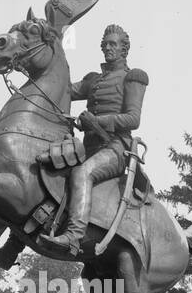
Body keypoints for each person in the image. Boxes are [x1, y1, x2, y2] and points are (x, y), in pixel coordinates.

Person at [37, 24, 148, 256]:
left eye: (113, 44)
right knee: (45, 172)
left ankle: (73, 237)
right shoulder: (94, 80)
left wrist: (96, 121)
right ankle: (12, 245)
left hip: (116, 148)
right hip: (89, 148)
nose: (108, 48)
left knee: (81, 173)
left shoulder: (133, 77)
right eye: (105, 44)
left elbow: (133, 118)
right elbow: (63, 90)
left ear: (124, 49)